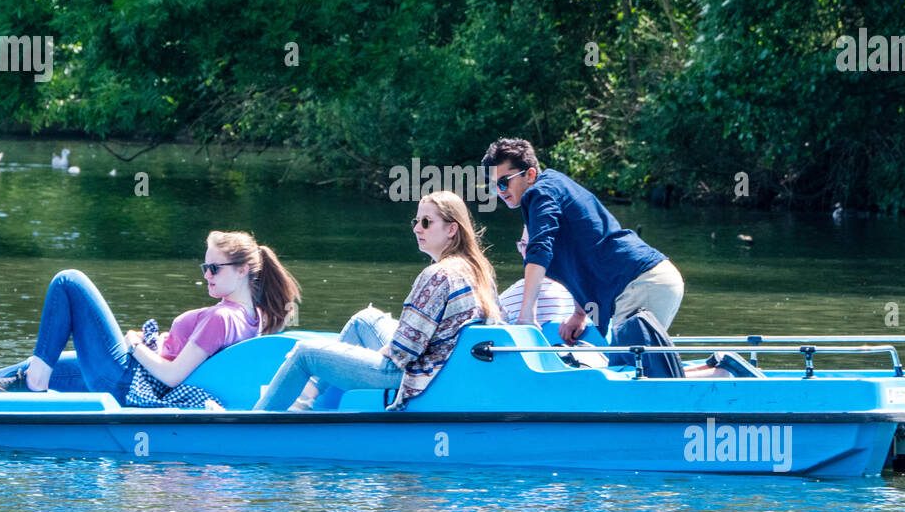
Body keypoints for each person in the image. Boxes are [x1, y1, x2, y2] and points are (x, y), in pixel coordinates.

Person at [0, 231, 300, 406]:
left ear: (244, 269)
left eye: (215, 268)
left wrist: (137, 346)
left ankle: (33, 383)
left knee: (68, 281)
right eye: (205, 267)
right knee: (49, 361)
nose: (207, 275)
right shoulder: (255, 315)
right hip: (137, 377)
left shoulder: (224, 318)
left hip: (132, 383)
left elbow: (174, 376)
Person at [253, 191, 499, 412]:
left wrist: (389, 348)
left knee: (304, 353)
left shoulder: (438, 275)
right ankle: (306, 401)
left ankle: (255, 424)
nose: (416, 229)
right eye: (416, 222)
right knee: (365, 320)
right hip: (440, 362)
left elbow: (404, 351)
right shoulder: (478, 270)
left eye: (426, 222)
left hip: (413, 372)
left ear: (451, 229)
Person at [481, 137, 684, 342]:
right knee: (631, 366)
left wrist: (526, 316)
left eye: (504, 182)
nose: (500, 191)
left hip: (640, 285)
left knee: (630, 370)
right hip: (650, 282)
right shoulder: (555, 185)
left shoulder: (539, 194)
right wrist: (579, 314)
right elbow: (581, 258)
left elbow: (539, 249)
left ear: (530, 174)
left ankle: (716, 372)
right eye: (493, 186)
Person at [499, 225, 577, 325]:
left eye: (532, 246)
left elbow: (485, 322)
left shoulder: (522, 290)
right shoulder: (581, 294)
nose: (524, 252)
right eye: (523, 244)